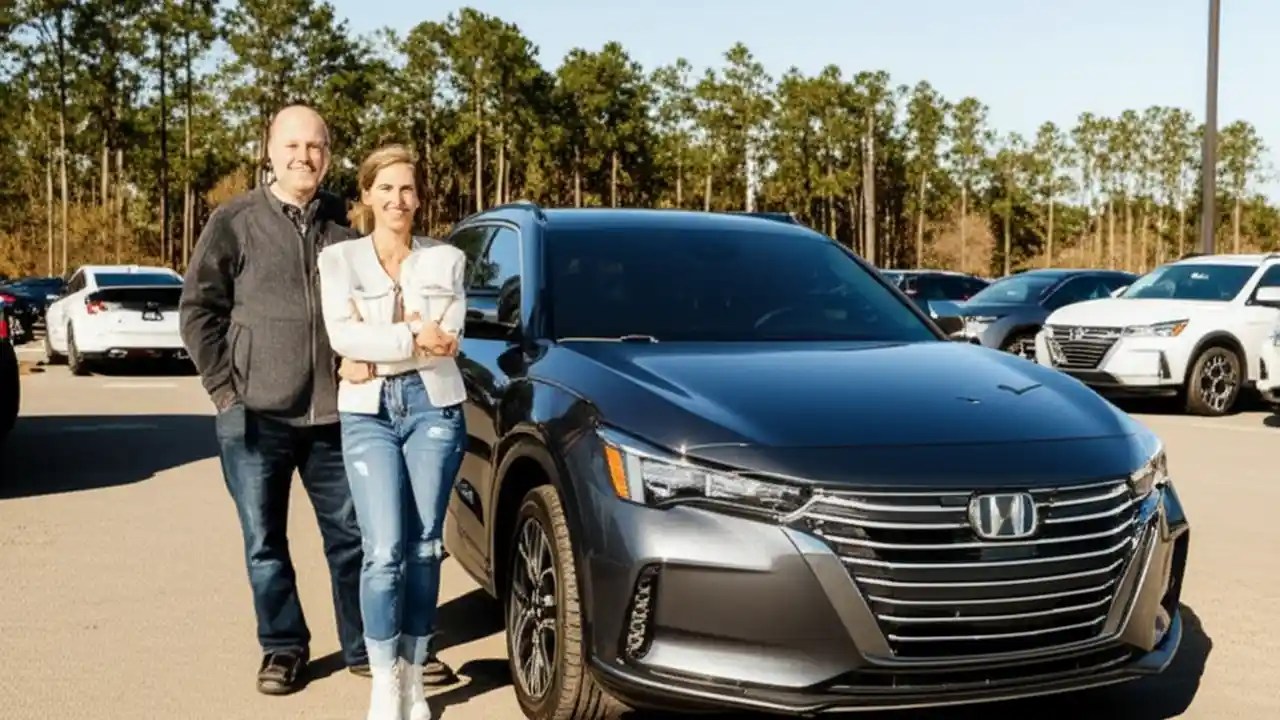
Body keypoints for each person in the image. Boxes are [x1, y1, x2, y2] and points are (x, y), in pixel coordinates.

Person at [178, 103, 368, 695]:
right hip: (255, 417)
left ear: (328, 156)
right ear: (270, 151)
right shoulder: (234, 220)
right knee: (264, 543)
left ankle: (366, 645)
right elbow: (198, 310)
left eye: (314, 147)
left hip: (335, 415)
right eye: (291, 146)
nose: (302, 157)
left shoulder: (345, 222)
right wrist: (225, 391)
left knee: (352, 539)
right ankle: (283, 646)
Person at [316, 143, 467, 720]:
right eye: (385, 188)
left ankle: (414, 676)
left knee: (424, 547)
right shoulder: (340, 261)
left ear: (419, 197)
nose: (397, 199)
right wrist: (408, 339)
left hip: (434, 409)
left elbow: (448, 338)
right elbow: (343, 339)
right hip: (368, 414)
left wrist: (376, 353)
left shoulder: (446, 260)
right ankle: (383, 683)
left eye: (407, 189)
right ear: (366, 196)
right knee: (382, 553)